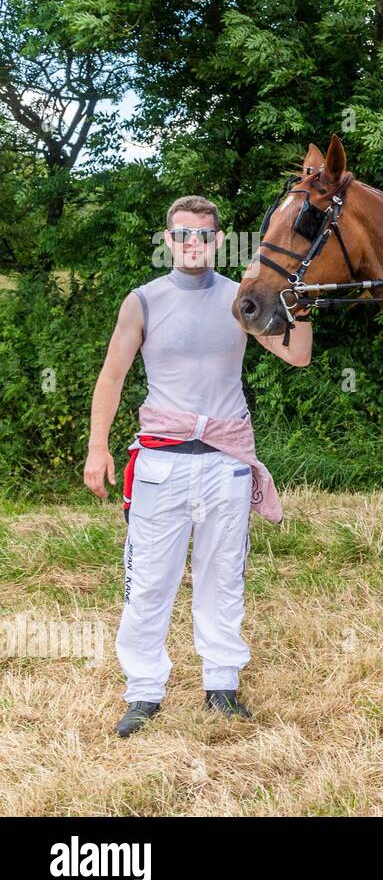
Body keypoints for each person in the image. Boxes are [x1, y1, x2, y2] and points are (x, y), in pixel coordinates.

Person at [83, 195, 312, 737]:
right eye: (183, 235)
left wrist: (297, 302)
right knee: (149, 584)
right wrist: (98, 447)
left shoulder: (241, 300)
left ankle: (222, 687)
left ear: (216, 240)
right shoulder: (142, 301)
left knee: (223, 578)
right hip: (162, 463)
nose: (193, 244)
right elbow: (111, 377)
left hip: (225, 463)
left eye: (204, 236)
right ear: (168, 240)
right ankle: (143, 693)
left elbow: (297, 354)